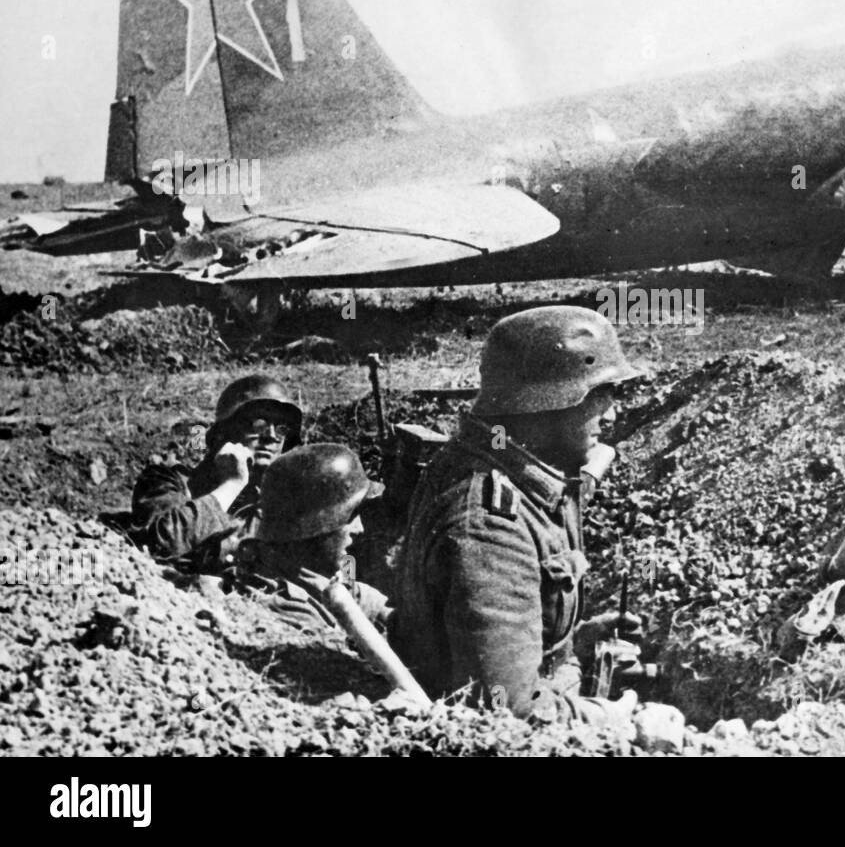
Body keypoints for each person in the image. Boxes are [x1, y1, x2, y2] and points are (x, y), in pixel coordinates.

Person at [391, 306, 642, 724]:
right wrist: (609, 720)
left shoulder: (520, 476)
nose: (612, 413)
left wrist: (574, 644)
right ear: (548, 401)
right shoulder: (490, 525)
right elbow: (504, 708)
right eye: (597, 395)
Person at [130, 375, 302, 572]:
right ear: (223, 432)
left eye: (281, 429)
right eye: (259, 423)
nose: (272, 436)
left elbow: (344, 559)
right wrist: (232, 484)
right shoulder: (167, 481)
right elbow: (164, 542)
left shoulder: (279, 507)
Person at [226, 443, 389, 632]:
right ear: (312, 527)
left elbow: (357, 594)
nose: (359, 529)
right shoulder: (289, 606)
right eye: (350, 517)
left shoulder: (328, 572)